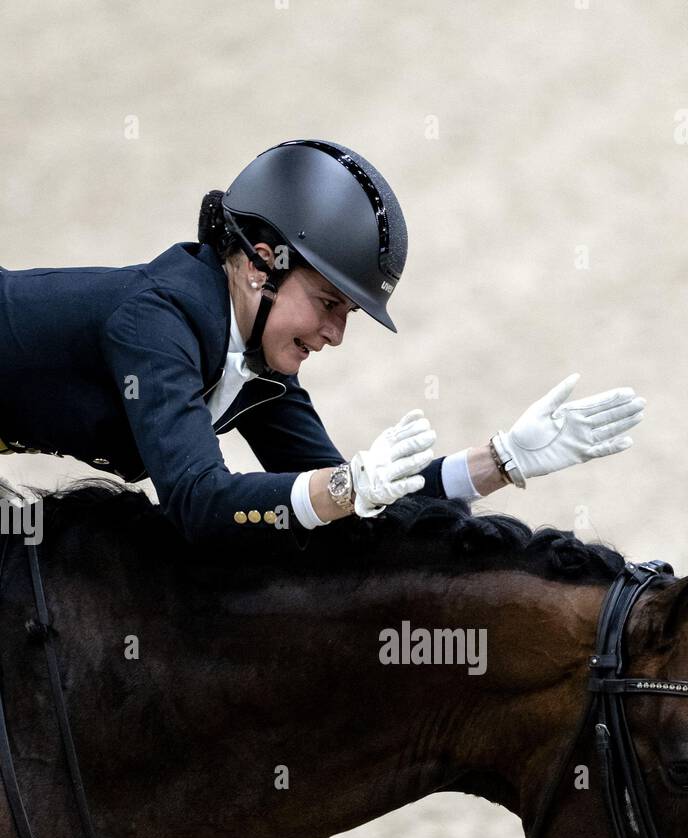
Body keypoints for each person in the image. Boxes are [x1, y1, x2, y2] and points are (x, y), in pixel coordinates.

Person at [0, 138, 645, 544]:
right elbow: (198, 505)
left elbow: (363, 501)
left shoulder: (259, 368)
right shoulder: (159, 320)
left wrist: (500, 461)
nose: (335, 335)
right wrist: (342, 489)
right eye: (329, 303)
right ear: (259, 265)